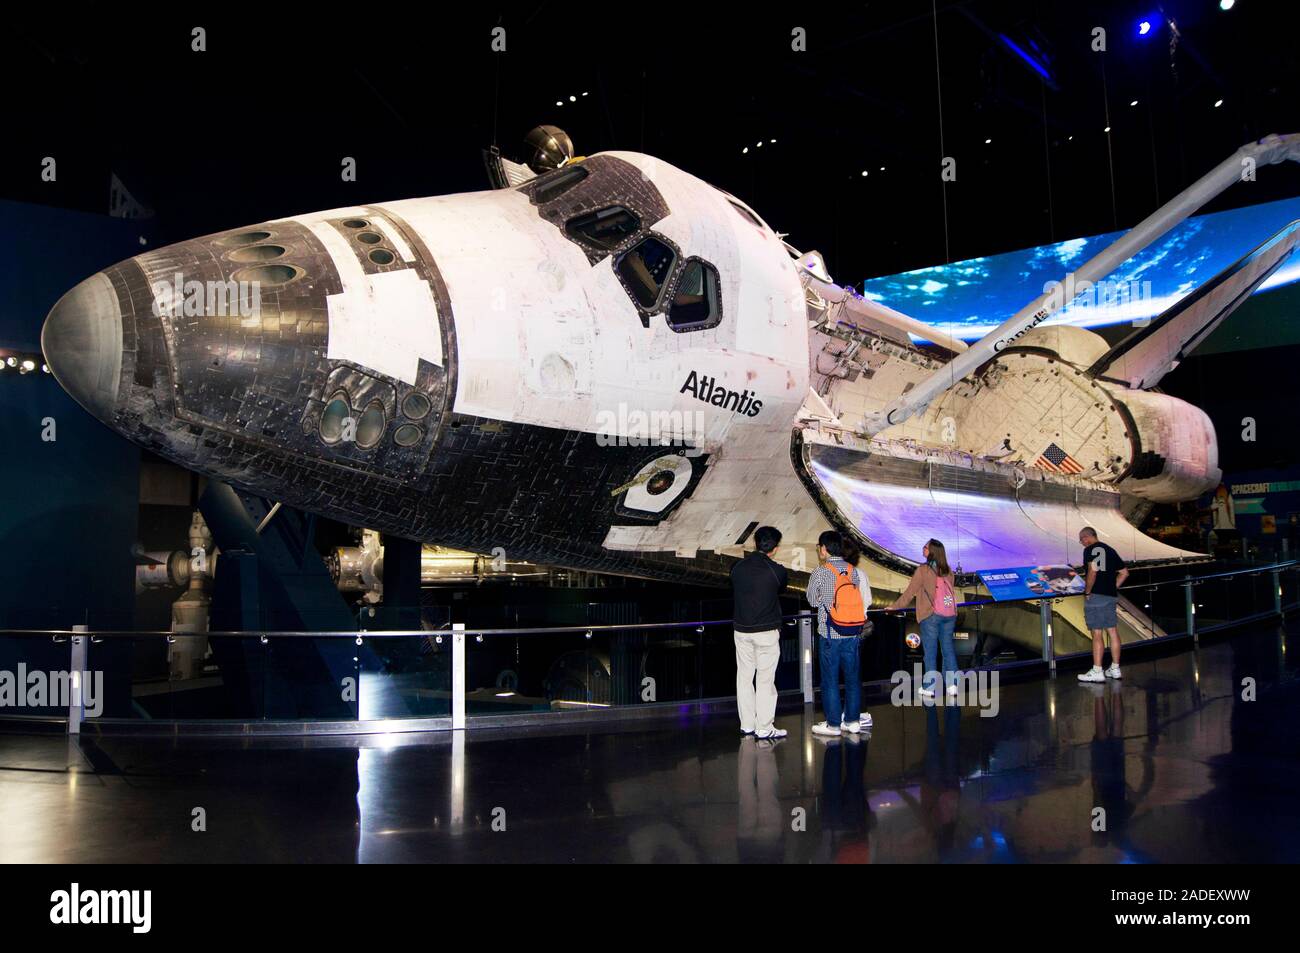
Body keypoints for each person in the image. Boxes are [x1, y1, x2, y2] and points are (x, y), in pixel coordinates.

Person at [806, 531, 872, 736]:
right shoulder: (853, 571)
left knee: (830, 680)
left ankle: (833, 723)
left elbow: (812, 601)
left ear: (824, 549)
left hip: (830, 634)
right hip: (852, 632)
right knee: (852, 678)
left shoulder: (820, 572)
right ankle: (852, 721)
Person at [730, 526, 789, 739]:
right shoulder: (778, 571)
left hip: (741, 631)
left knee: (744, 677)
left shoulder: (737, 567)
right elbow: (780, 589)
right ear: (774, 548)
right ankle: (764, 726)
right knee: (765, 679)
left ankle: (747, 724)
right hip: (766, 632)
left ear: (755, 543)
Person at [889, 539, 959, 699]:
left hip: (931, 616)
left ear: (931, 551)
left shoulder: (923, 570)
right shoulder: (948, 570)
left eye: (925, 547)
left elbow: (909, 592)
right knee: (948, 650)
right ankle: (952, 685)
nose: (923, 548)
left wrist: (894, 607)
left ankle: (930, 687)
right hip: (950, 615)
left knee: (930, 653)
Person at [1077, 526, 1129, 682]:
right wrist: (1112, 587)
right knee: (1112, 631)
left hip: (1096, 597)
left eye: (1081, 539)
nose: (1082, 543)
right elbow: (1124, 573)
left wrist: (1087, 591)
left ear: (1087, 537)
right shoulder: (1110, 550)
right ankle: (1115, 669)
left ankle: (1097, 670)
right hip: (1110, 596)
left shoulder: (1090, 550)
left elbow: (1093, 571)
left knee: (1097, 633)